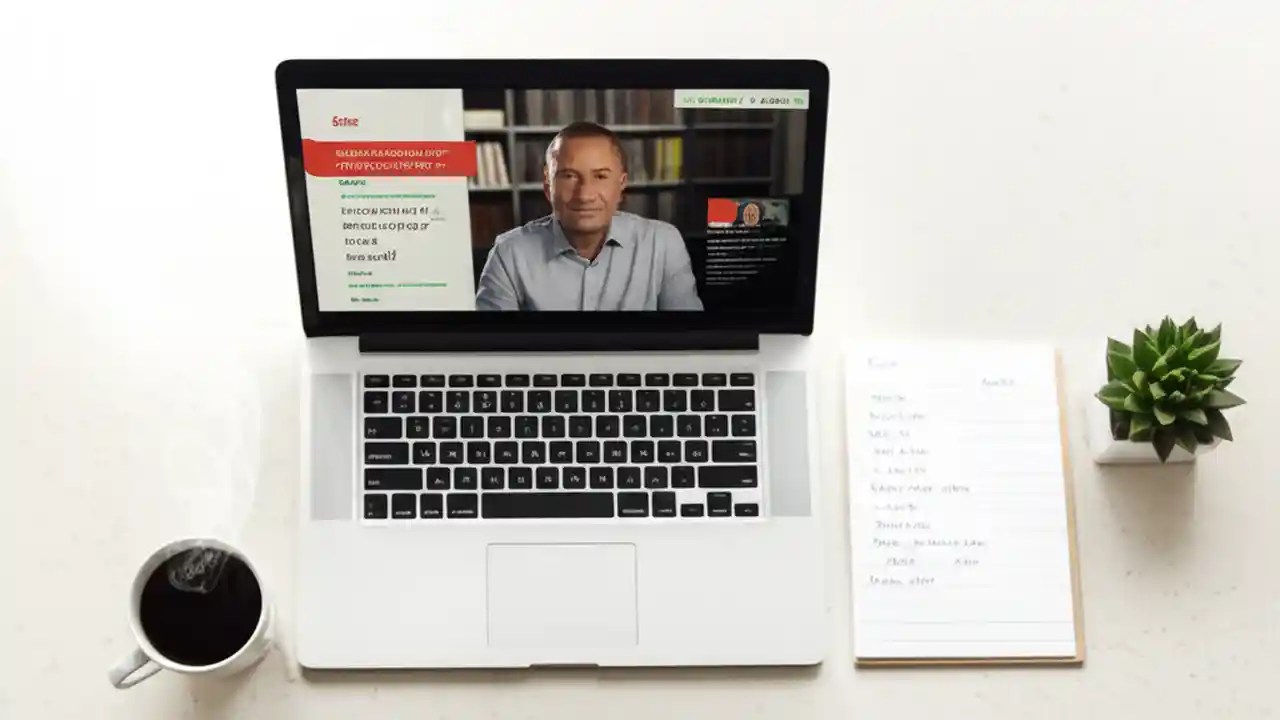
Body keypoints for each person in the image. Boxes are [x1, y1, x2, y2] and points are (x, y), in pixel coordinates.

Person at [474, 122, 703, 311]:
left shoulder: (663, 243)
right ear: (547, 185)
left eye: (601, 176)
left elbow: (689, 342)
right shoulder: (509, 253)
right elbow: (491, 351)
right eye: (569, 176)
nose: (584, 195)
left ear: (621, 185)